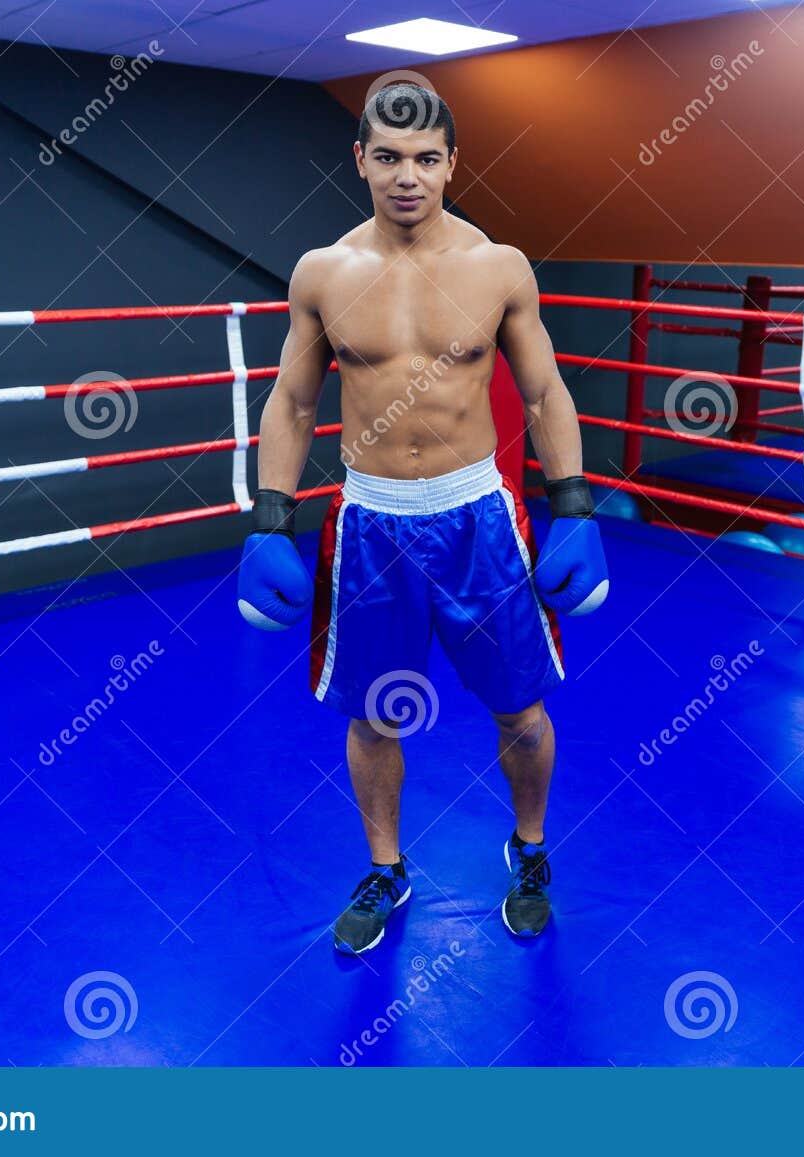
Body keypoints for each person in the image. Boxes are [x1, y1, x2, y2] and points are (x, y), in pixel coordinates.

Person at [235, 82, 609, 955]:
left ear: (451, 165)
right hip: (370, 525)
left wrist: (576, 507)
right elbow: (291, 402)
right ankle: (386, 865)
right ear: (361, 159)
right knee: (374, 716)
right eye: (391, 158)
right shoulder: (323, 273)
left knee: (520, 710)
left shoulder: (498, 267)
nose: (410, 176)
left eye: (428, 159)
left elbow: (546, 389)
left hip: (476, 518)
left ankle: (529, 847)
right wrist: (267, 520)